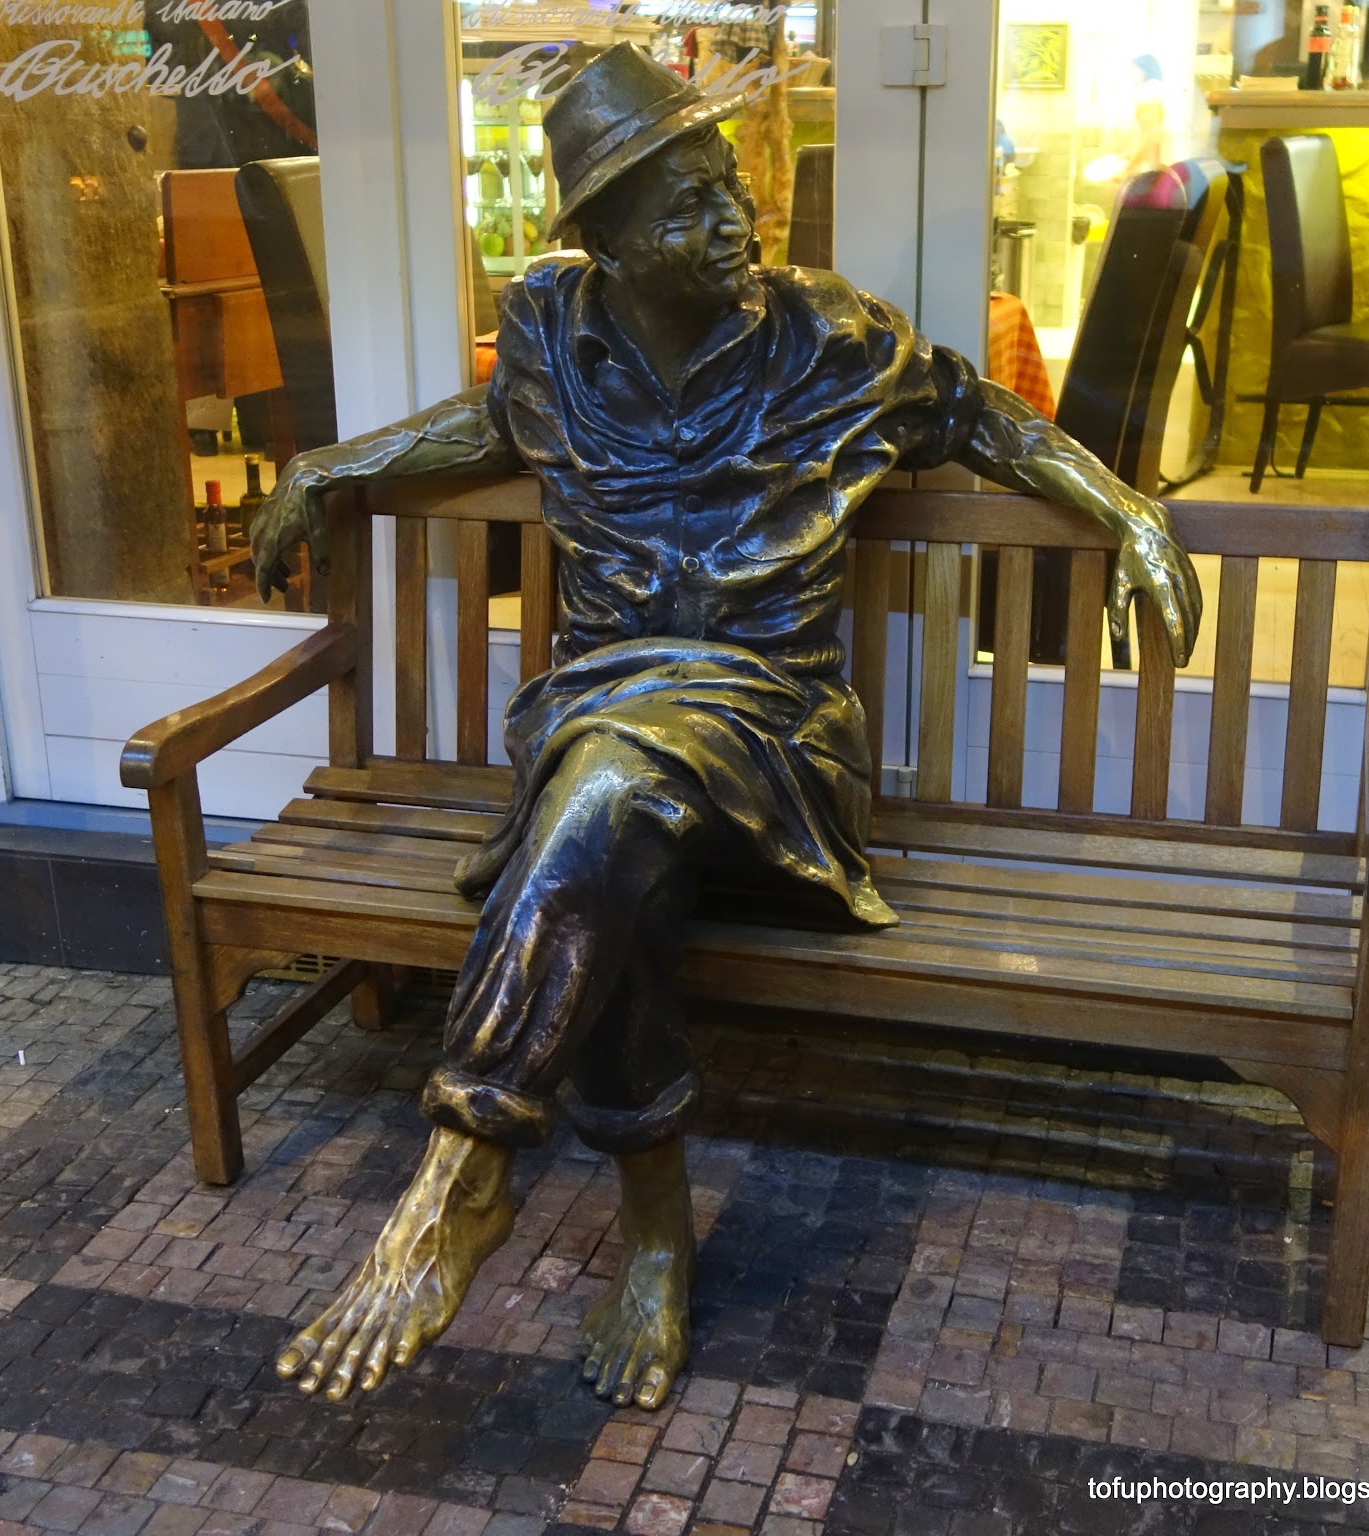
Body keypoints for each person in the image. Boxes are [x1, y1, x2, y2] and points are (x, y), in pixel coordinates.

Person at [248, 43, 1201, 1413]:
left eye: (727, 185)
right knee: (609, 842)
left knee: (602, 800)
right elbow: (492, 422)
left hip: (776, 740)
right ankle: (653, 1243)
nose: (732, 219)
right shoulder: (550, 335)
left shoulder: (831, 340)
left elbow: (984, 419)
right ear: (606, 243)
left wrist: (1129, 510)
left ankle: (462, 1176)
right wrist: (337, 463)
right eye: (685, 204)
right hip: (599, 728)